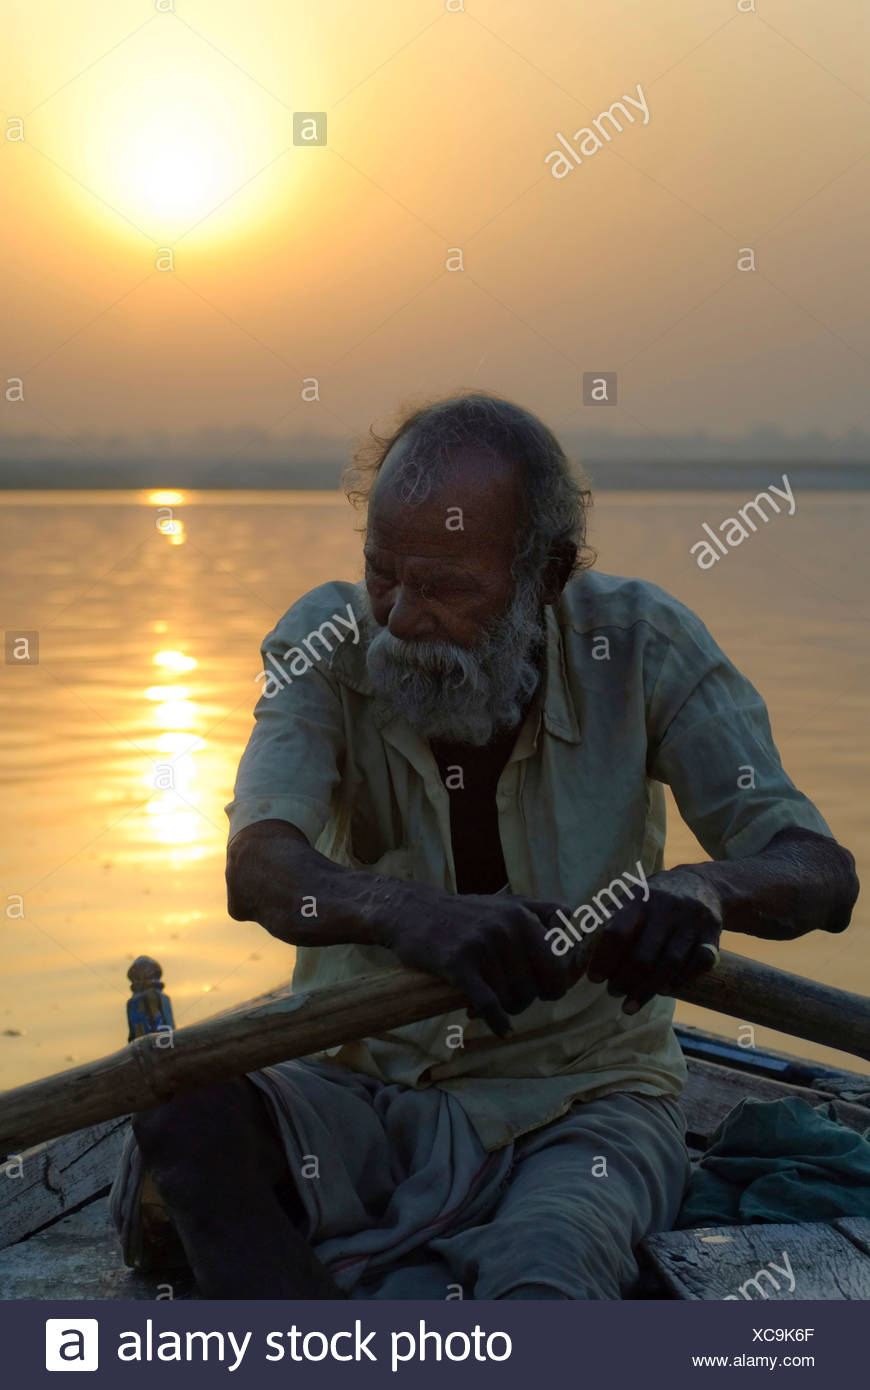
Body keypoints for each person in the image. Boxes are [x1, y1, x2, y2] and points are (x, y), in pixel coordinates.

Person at [119, 392, 859, 1300]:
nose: (400, 618)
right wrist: (403, 912)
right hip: (361, 1087)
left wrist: (703, 892)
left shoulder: (640, 644)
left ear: (546, 574)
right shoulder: (327, 640)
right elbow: (260, 868)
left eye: (445, 588)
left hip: (581, 1101)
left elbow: (819, 871)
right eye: (384, 574)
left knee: (542, 1282)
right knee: (187, 1124)